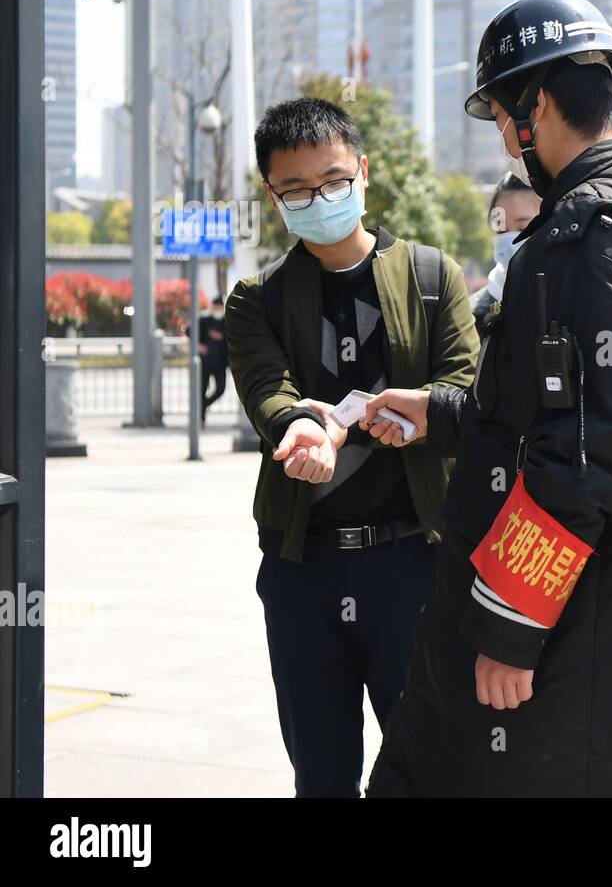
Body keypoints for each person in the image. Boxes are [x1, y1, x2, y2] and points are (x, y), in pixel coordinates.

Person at [359, 0, 612, 797]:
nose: (502, 139)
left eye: (498, 118)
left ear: (538, 106)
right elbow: (585, 406)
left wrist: (510, 626)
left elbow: (596, 452)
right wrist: (446, 411)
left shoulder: (582, 237)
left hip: (566, 632)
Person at [225, 96, 479, 796]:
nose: (319, 198)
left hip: (414, 561)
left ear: (363, 173)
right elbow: (266, 390)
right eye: (297, 189)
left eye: (333, 179)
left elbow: (465, 381)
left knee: (428, 766)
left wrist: (429, 412)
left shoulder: (432, 277)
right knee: (322, 770)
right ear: (273, 195)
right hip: (305, 568)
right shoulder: (258, 298)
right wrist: (300, 428)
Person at [469, 172, 541, 337]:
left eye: (524, 229)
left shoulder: (572, 300)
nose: (509, 240)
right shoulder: (474, 314)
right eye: (501, 230)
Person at [198, 295, 229, 425]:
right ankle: (201, 418)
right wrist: (199, 346)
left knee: (220, 389)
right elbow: (190, 332)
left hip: (221, 363)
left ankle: (202, 406)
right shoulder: (204, 320)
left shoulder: (227, 322)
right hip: (205, 362)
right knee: (202, 390)